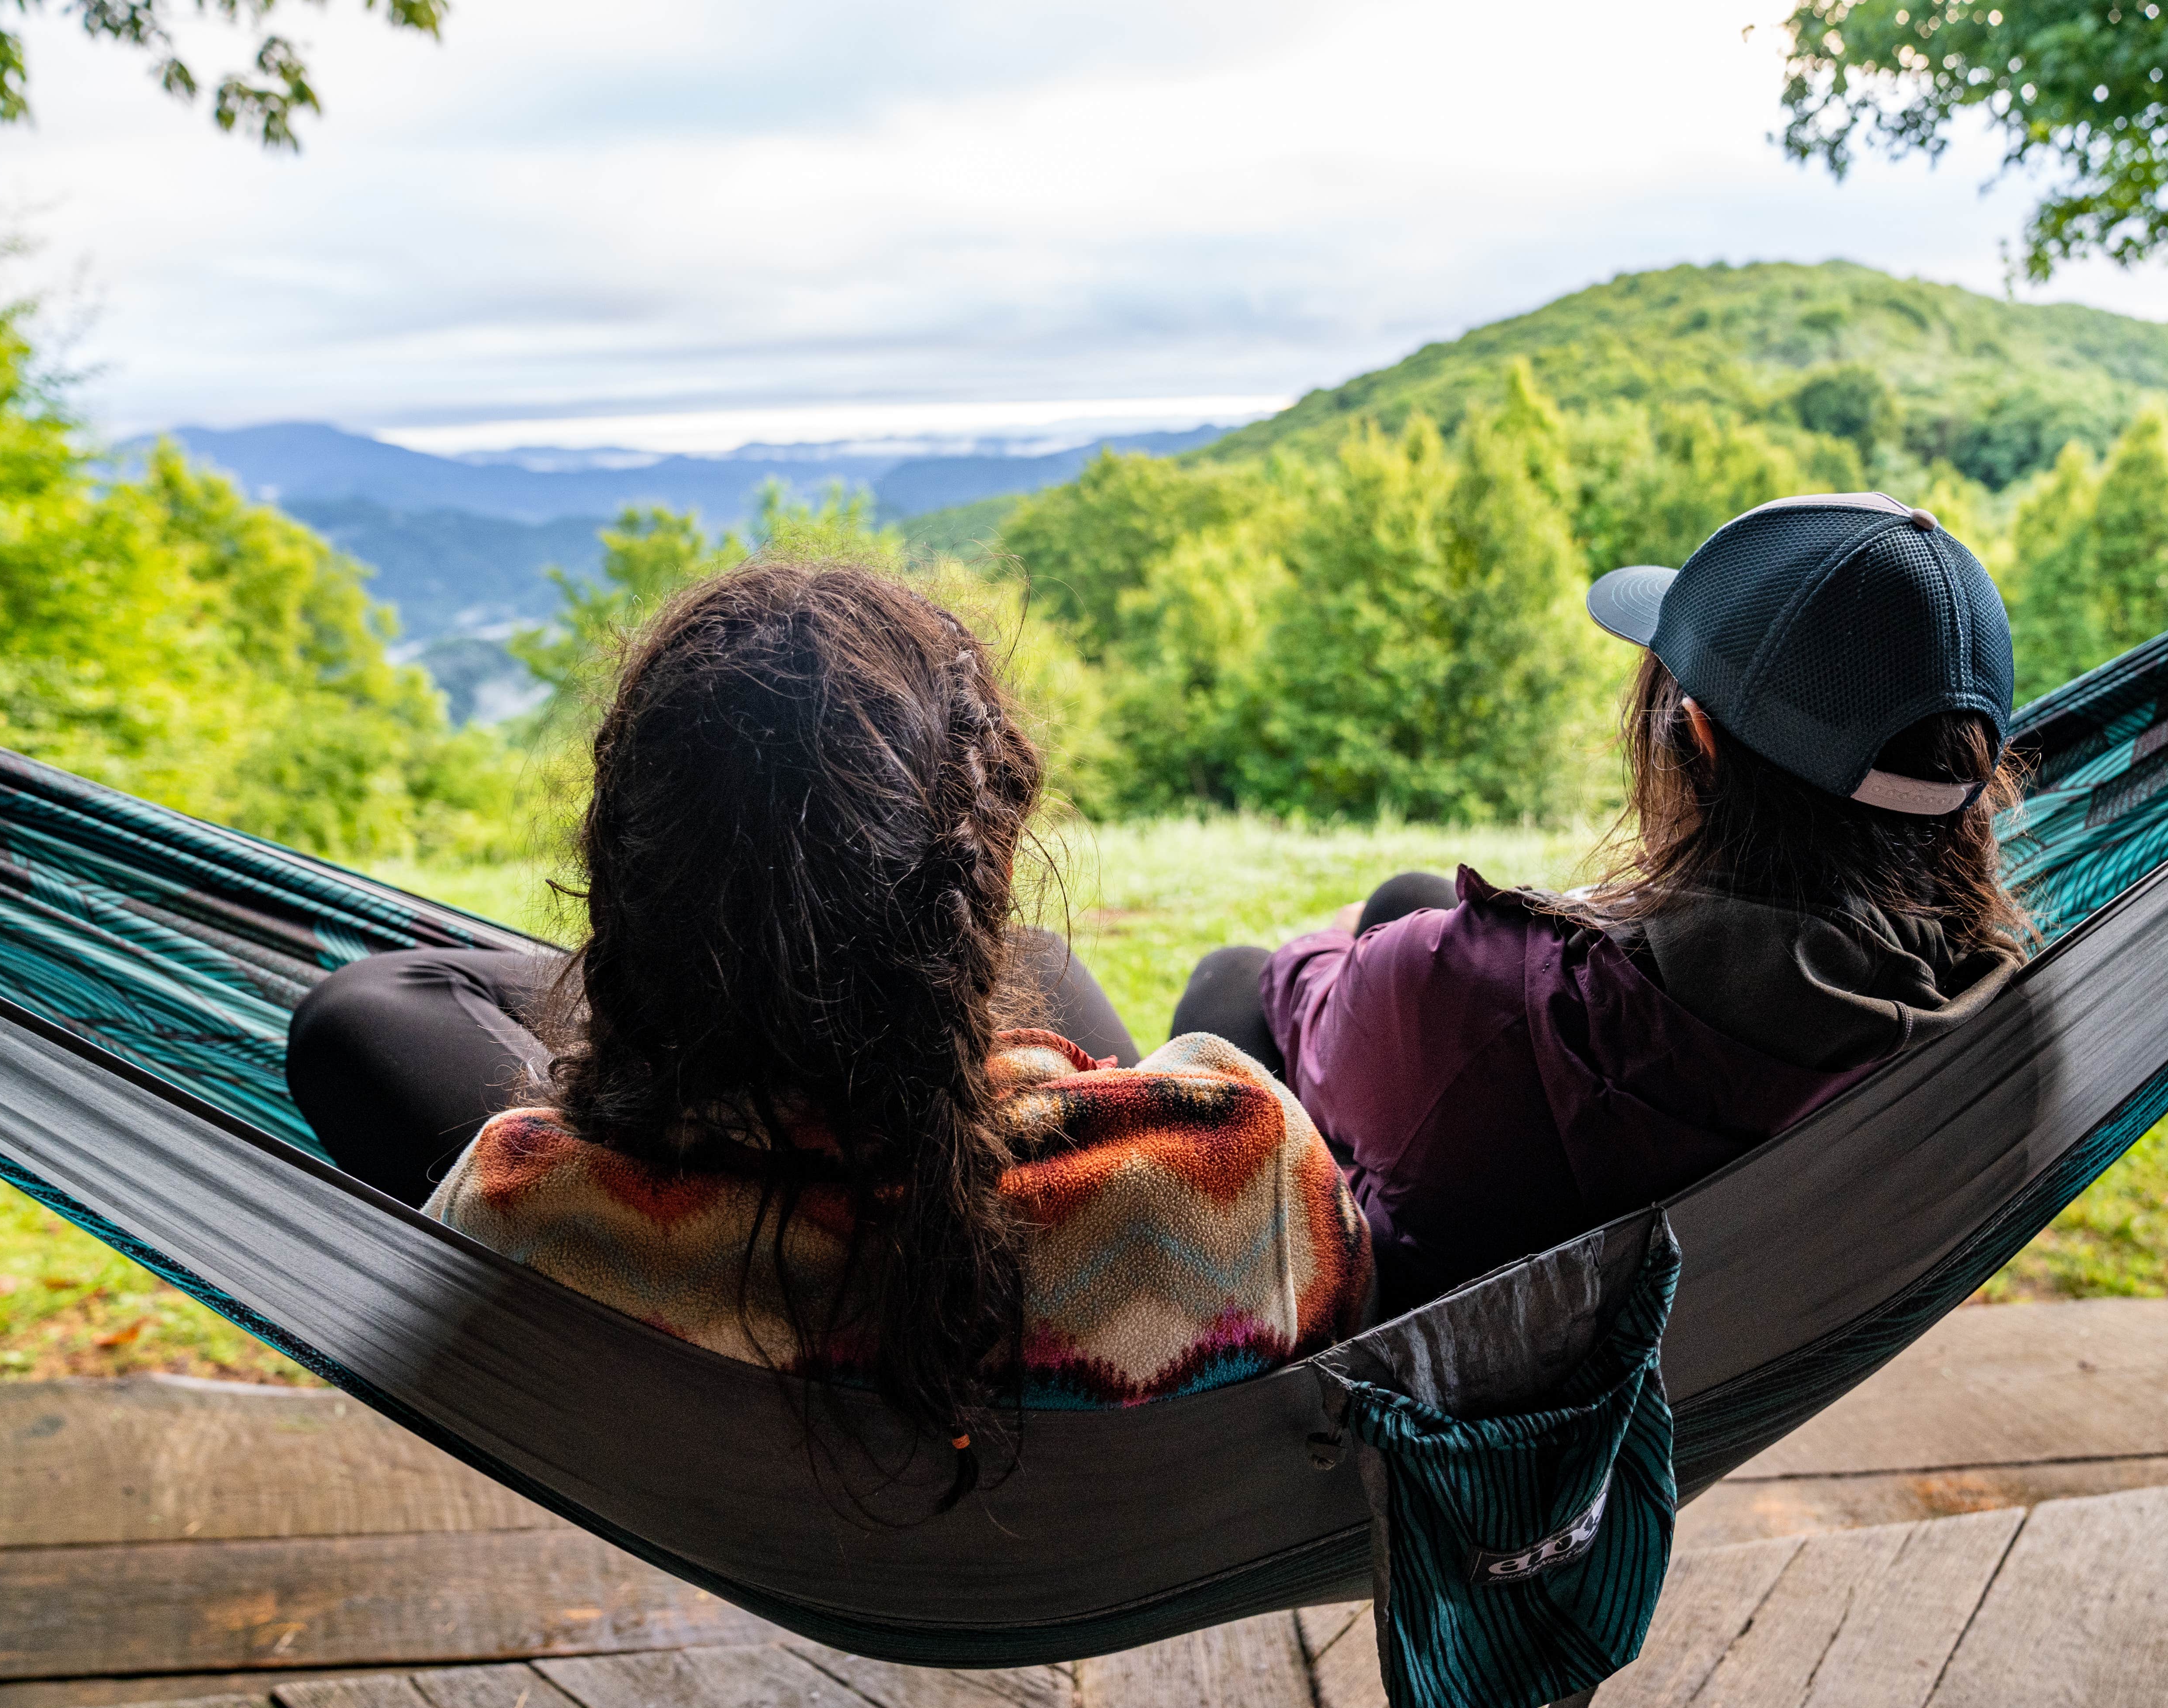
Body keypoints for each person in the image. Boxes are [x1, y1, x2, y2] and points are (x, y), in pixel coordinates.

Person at [286, 560, 1371, 1470]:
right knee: (1059, 964)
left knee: (360, 1015)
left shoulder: (515, 1210)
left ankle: (745, 980)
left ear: (617, 864)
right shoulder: (1239, 1172)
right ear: (979, 863)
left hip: (725, 1483)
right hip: (1098, 1533)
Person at [1176, 493, 2029, 1314]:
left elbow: (1297, 996)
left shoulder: (1486, 994)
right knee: (1404, 899)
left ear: (1698, 738)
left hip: (1419, 1394)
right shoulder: (1985, 1013)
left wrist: (1353, 954)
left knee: (1233, 977)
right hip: (1695, 1355)